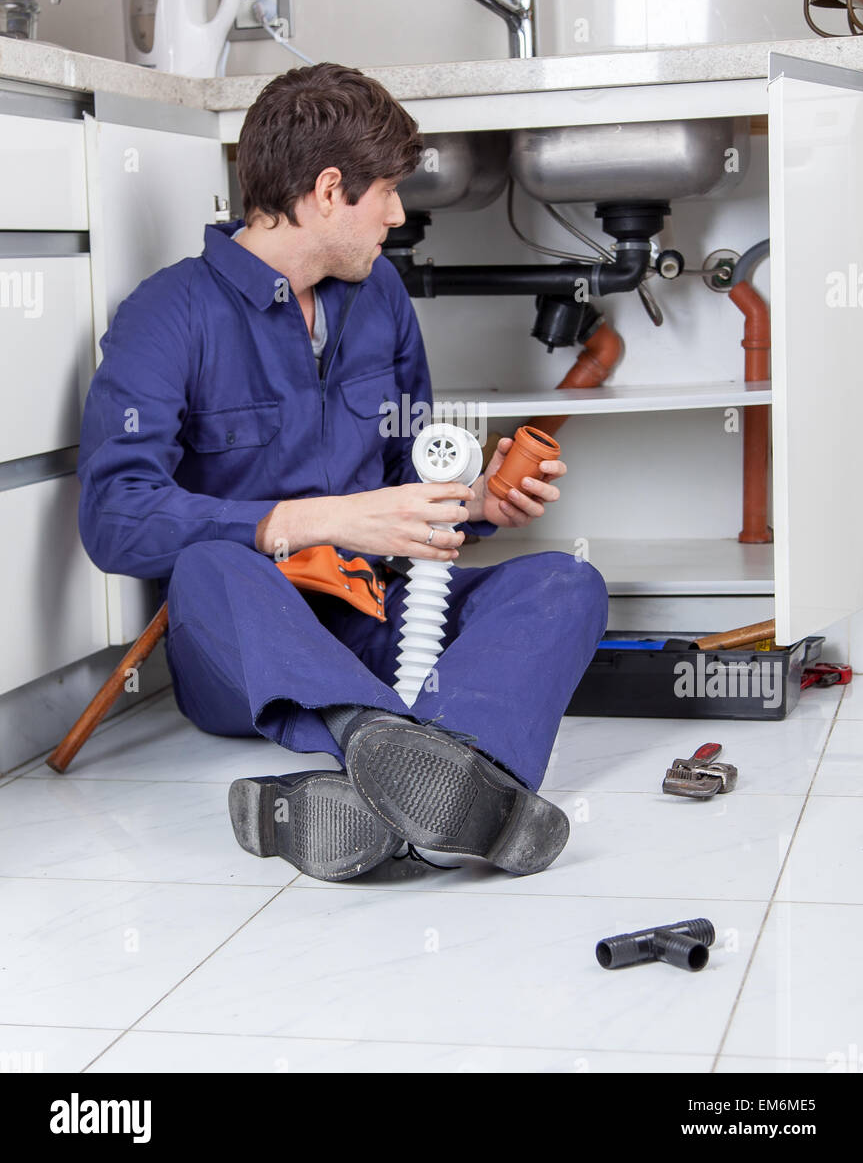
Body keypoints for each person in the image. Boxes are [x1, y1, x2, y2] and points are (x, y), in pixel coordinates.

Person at [77, 62, 608, 883]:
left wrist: (476, 498)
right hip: (249, 637)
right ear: (330, 191)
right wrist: (316, 519)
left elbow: (407, 483)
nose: (398, 215)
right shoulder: (169, 313)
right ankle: (443, 773)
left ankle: (396, 784)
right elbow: (115, 516)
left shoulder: (379, 295)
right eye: (387, 192)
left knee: (566, 585)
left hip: (377, 612)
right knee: (211, 565)